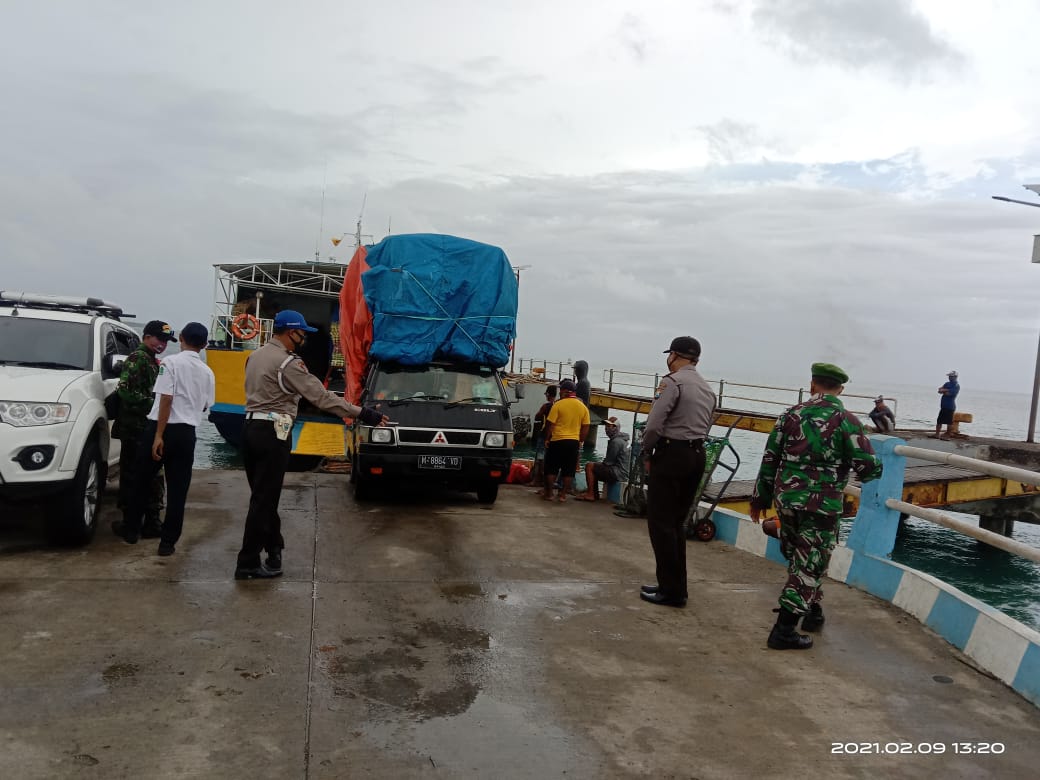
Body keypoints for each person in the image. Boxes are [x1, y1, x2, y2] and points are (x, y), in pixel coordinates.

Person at [235, 310, 389, 580]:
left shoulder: (255, 356)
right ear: (289, 331)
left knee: (262, 496)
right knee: (263, 500)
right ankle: (247, 562)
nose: (304, 337)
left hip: (249, 428)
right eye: (301, 332)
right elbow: (322, 398)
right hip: (273, 434)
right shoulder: (288, 363)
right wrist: (364, 413)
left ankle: (274, 549)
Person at [749, 362, 883, 650]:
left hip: (786, 501)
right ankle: (783, 631)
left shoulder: (790, 415)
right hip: (822, 505)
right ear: (841, 389)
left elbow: (769, 459)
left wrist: (759, 499)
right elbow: (869, 467)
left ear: (812, 384)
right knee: (810, 562)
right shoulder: (847, 420)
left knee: (803, 559)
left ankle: (813, 612)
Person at [117, 323, 216, 557]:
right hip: (187, 433)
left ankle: (131, 530)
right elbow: (204, 405)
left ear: (181, 338)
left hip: (161, 428)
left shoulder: (170, 363)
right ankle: (168, 543)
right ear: (204, 345)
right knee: (178, 490)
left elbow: (166, 399)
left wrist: (159, 435)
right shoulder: (207, 372)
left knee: (140, 480)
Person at [639, 337, 717, 607]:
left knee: (660, 524)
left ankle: (669, 591)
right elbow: (708, 424)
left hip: (672, 455)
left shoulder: (672, 383)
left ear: (673, 355)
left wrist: (646, 451)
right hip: (696, 455)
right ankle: (675, 587)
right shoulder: (707, 388)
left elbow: (654, 425)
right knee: (676, 525)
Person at [112, 320, 174, 539]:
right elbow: (125, 392)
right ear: (146, 336)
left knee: (150, 475)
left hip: (146, 428)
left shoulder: (151, 361)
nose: (163, 344)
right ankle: (138, 521)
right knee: (135, 475)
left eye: (166, 341)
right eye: (159, 339)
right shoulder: (137, 359)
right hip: (135, 428)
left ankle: (148, 521)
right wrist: (154, 405)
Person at [541, 378, 590, 502]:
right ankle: (562, 495)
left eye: (561, 391)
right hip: (573, 442)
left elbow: (550, 424)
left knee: (552, 468)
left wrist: (547, 439)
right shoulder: (583, 407)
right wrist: (580, 441)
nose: (559, 393)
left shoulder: (558, 404)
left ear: (564, 391)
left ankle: (550, 493)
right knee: (569, 470)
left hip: (557, 440)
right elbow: (585, 427)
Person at [577, 416, 630, 501]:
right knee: (596, 466)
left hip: (618, 473)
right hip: (622, 472)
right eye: (606, 426)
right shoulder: (621, 439)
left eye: (610, 426)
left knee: (589, 466)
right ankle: (594, 493)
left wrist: (598, 464)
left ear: (616, 427)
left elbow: (608, 462)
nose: (607, 429)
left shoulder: (615, 442)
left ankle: (591, 494)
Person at [531, 385, 557, 488]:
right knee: (549, 460)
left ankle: (536, 480)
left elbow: (537, 415)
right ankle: (546, 482)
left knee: (539, 459)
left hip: (544, 435)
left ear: (548, 394)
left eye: (546, 394)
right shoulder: (558, 405)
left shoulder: (546, 406)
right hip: (554, 436)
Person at [931, 370, 960, 439]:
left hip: (950, 406)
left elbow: (948, 393)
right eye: (949, 376)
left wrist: (944, 390)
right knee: (939, 421)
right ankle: (937, 434)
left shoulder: (956, 385)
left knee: (949, 422)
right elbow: (939, 390)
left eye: (951, 376)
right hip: (943, 406)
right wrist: (945, 390)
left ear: (955, 377)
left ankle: (947, 436)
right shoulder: (947, 383)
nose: (949, 377)